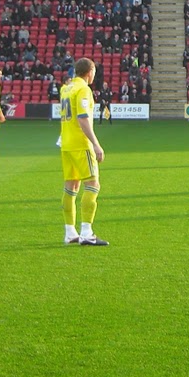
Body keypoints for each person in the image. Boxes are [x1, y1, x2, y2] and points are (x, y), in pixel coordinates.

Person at [59, 58, 108, 245]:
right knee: (93, 185)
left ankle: (70, 232)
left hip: (66, 144)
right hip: (81, 143)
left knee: (71, 187)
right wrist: (95, 144)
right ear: (90, 72)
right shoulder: (83, 89)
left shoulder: (66, 88)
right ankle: (87, 232)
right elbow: (82, 118)